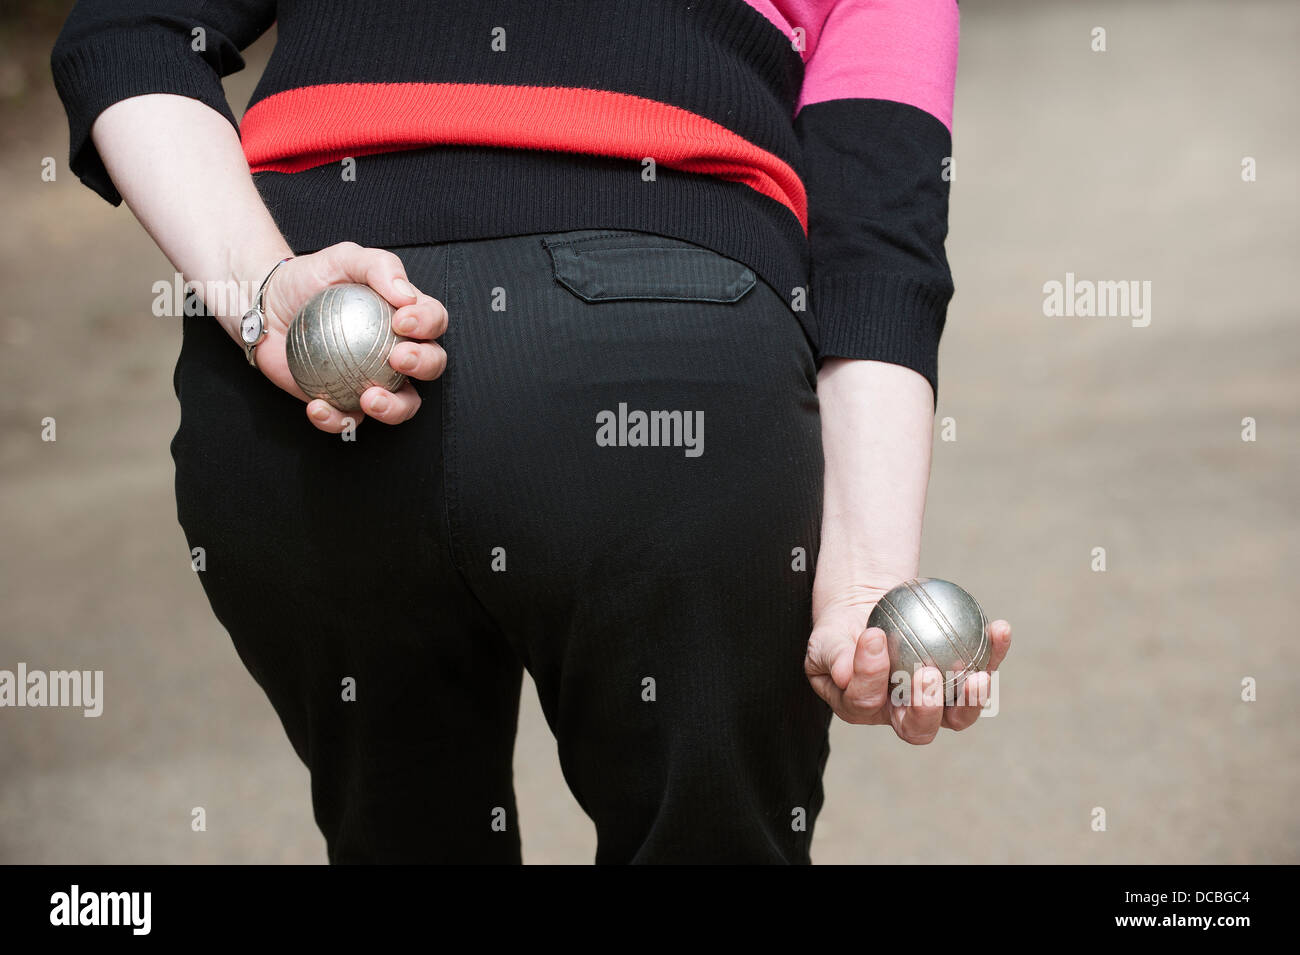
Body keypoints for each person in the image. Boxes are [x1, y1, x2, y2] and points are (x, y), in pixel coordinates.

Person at [51, 0, 1011, 864]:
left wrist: (261, 289)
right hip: (664, 360)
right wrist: (862, 587)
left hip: (318, 361)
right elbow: (876, 249)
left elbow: (123, 34)